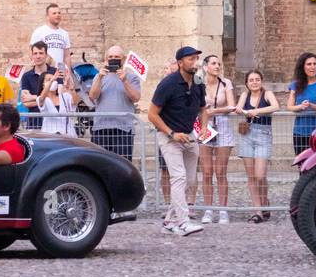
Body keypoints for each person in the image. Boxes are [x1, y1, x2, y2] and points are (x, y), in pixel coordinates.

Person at [148, 46, 207, 237]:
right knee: (179, 177)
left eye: (196, 58)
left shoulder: (198, 82)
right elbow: (152, 114)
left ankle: (169, 220)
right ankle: (182, 222)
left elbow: (203, 108)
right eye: (190, 59)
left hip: (189, 135)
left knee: (189, 180)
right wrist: (172, 133)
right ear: (180, 63)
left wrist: (204, 127)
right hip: (169, 136)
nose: (195, 62)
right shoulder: (168, 84)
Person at [233, 70, 280, 224]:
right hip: (247, 135)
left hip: (263, 135)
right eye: (251, 80)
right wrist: (239, 109)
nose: (254, 82)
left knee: (260, 175)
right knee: (251, 176)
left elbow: (276, 106)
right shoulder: (245, 95)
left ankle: (264, 200)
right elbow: (238, 108)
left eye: (257, 79)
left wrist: (256, 111)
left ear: (261, 81)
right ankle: (257, 211)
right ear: (247, 82)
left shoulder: (267, 94)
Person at [197, 54, 235, 224]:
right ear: (205, 67)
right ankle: (208, 209)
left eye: (218, 63)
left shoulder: (226, 83)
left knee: (221, 172)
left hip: (223, 127)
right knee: (206, 172)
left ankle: (223, 210)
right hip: (205, 128)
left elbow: (232, 106)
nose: (217, 66)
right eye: (213, 63)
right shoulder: (198, 84)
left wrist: (215, 111)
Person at [89, 45, 142, 160]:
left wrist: (124, 80)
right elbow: (93, 96)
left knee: (123, 165)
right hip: (101, 127)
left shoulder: (132, 77)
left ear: (123, 59)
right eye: (110, 57)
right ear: (106, 59)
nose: (113, 59)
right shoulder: (98, 77)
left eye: (117, 57)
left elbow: (136, 97)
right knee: (100, 164)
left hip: (123, 128)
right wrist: (99, 78)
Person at [287, 52, 316, 155]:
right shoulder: (295, 85)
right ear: (302, 67)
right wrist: (301, 106)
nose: (312, 67)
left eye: (314, 64)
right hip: (300, 131)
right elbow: (290, 106)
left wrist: (311, 105)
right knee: (302, 163)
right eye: (309, 64)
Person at [18, 41, 57, 131]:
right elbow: (26, 102)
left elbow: (58, 99)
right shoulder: (26, 76)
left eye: (41, 53)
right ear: (32, 56)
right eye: (35, 53)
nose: (38, 56)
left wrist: (33, 97)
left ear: (46, 55)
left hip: (53, 121)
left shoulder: (55, 73)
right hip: (34, 122)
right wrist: (47, 100)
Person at [37, 58, 76, 136]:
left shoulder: (64, 96)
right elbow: (41, 99)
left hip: (68, 135)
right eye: (48, 79)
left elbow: (75, 101)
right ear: (43, 84)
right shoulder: (42, 99)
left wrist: (71, 85)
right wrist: (52, 80)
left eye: (55, 79)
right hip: (49, 136)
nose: (53, 81)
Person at [30, 3, 71, 74]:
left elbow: (67, 56)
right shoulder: (39, 31)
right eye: (54, 13)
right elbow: (32, 52)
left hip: (59, 72)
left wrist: (68, 74)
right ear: (47, 16)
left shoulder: (64, 33)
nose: (57, 15)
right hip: (44, 72)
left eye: (59, 13)